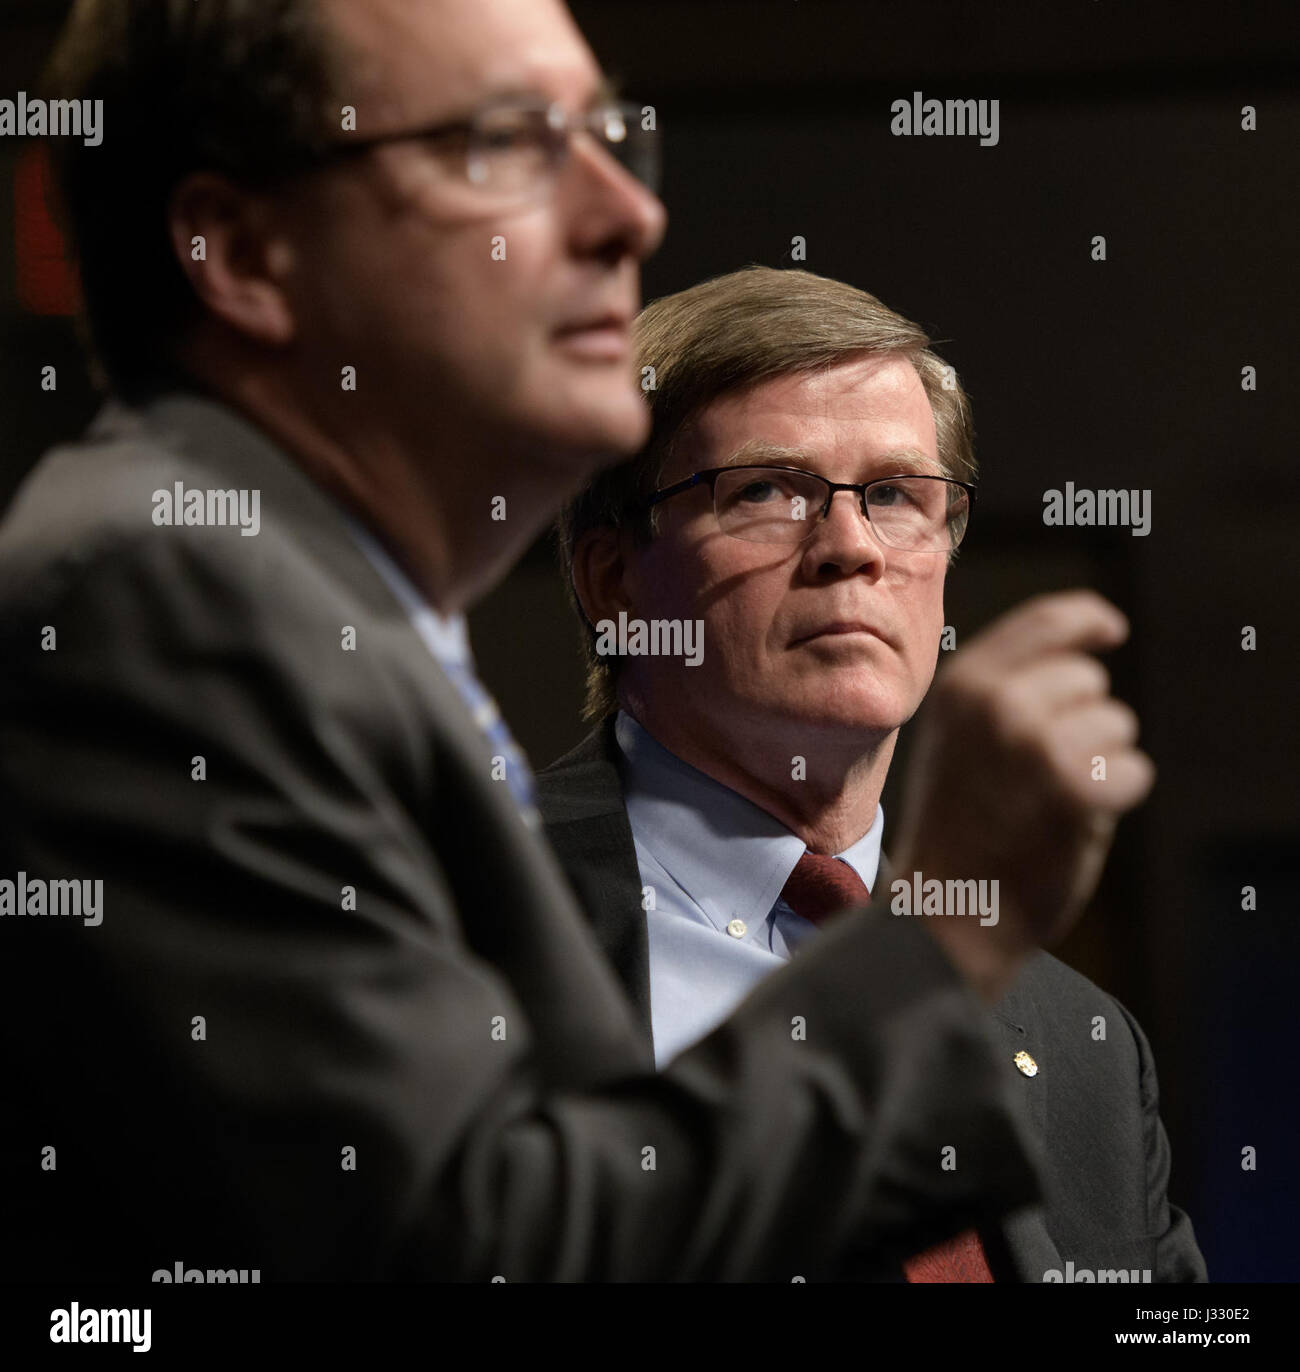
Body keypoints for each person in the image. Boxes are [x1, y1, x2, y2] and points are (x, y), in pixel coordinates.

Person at [0, 1, 1044, 1282]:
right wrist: (942, 949)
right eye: (503, 143)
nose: (626, 214)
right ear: (243, 253)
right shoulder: (168, 592)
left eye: (609, 140)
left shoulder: (293, 604)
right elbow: (474, 1250)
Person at [544, 265, 1207, 1281]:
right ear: (613, 578)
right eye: (766, 489)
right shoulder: (448, 920)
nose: (849, 547)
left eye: (895, 494)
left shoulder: (1084, 1046)